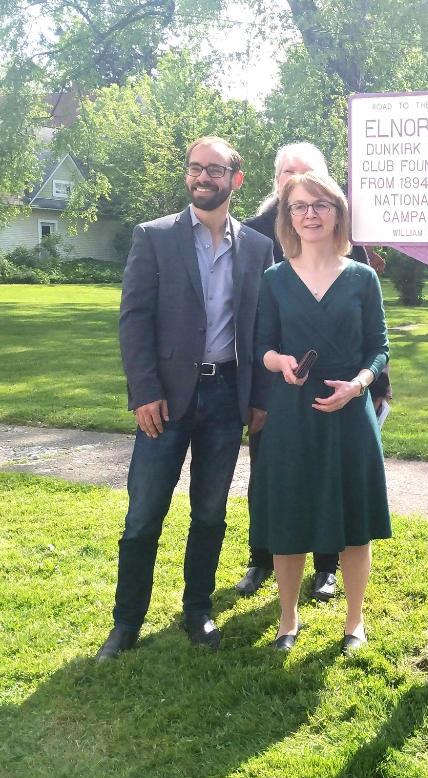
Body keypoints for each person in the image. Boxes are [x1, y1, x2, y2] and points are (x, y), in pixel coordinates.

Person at [96, 136, 273, 661]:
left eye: (214, 170)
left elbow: (261, 329)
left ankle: (198, 608)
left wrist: (257, 397)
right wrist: (144, 391)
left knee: (211, 512)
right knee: (144, 512)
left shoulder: (258, 249)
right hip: (165, 401)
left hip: (225, 397)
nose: (202, 178)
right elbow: (134, 319)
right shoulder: (154, 238)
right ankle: (127, 622)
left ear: (235, 180)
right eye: (195, 168)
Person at [234, 142, 392, 602]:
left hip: (345, 396)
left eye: (316, 198)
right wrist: (266, 378)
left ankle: (329, 574)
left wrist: (369, 386)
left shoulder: (358, 265)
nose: (307, 211)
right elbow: (257, 334)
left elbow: (374, 339)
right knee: (279, 489)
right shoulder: (258, 244)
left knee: (340, 491)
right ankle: (263, 563)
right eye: (287, 175)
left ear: (334, 203)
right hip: (282, 399)